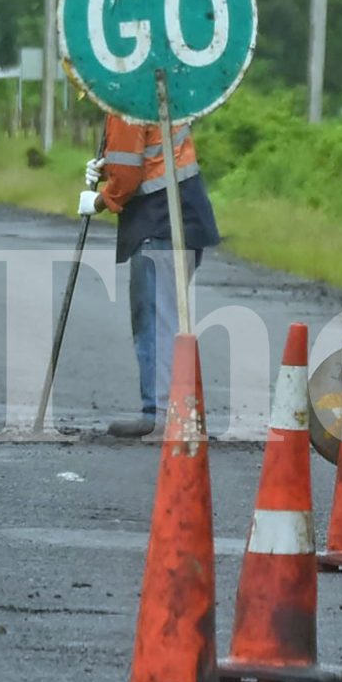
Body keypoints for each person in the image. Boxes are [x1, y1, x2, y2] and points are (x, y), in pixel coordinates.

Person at [86, 111, 219, 438]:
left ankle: (161, 413)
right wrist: (106, 168)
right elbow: (149, 157)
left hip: (160, 220)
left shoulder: (125, 105)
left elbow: (129, 175)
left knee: (157, 321)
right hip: (182, 215)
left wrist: (100, 200)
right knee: (167, 318)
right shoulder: (152, 96)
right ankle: (172, 410)